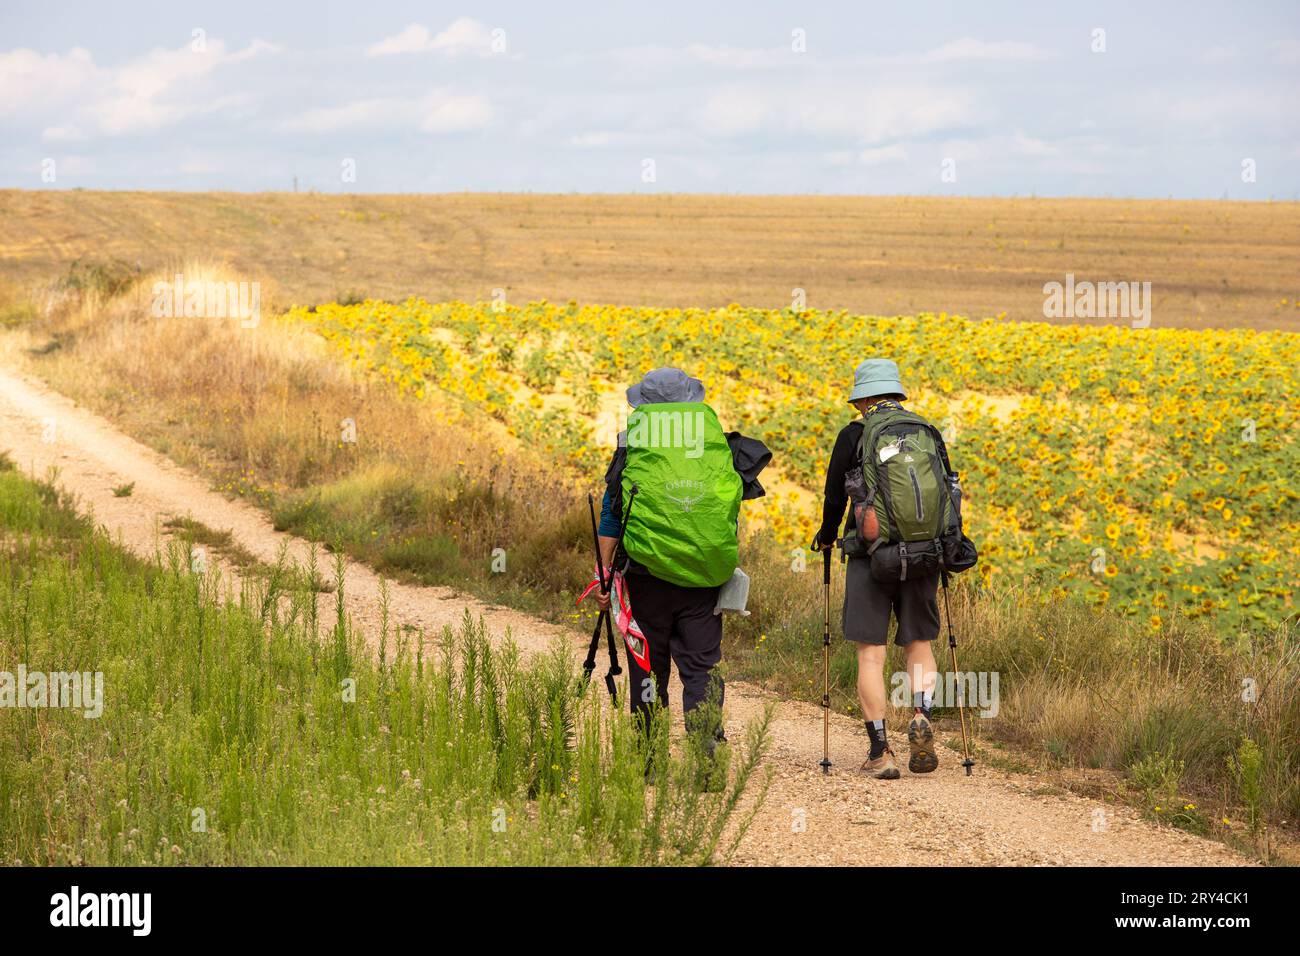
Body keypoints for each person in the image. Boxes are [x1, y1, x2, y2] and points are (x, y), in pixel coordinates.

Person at [589, 367, 770, 775]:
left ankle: (649, 762)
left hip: (645, 577)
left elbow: (610, 516)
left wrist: (604, 578)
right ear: (690, 400)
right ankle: (707, 761)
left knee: (648, 666)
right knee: (701, 667)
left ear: (644, 405)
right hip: (704, 577)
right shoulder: (713, 446)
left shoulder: (631, 445)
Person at [814, 358, 945, 780]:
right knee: (919, 643)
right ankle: (922, 714)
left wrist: (826, 533)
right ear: (897, 392)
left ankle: (880, 751)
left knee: (871, 653)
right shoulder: (926, 430)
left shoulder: (853, 435)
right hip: (923, 554)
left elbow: (835, 496)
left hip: (871, 557)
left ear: (865, 397)